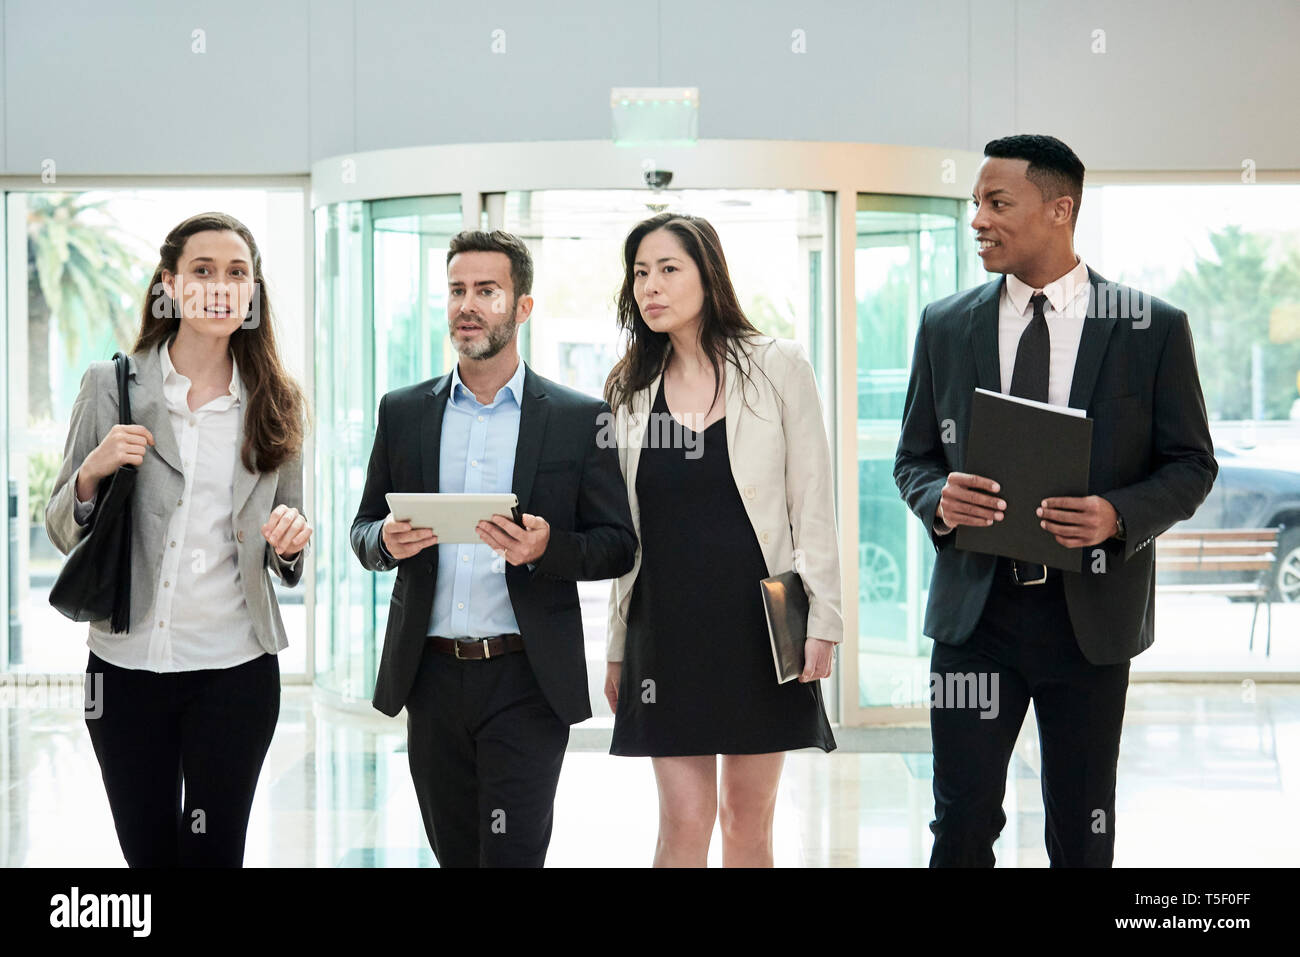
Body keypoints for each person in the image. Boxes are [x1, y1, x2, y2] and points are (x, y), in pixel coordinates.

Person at [894, 134, 1218, 867]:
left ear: (1059, 209)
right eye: (975, 202)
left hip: (1089, 622)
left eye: (997, 202)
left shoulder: (1152, 328)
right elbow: (913, 458)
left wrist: (1119, 515)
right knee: (962, 822)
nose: (978, 218)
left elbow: (1192, 464)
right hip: (975, 618)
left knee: (1081, 826)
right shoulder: (945, 324)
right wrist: (938, 496)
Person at [351, 229, 637, 868]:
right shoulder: (403, 413)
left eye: (487, 290)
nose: (468, 305)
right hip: (430, 676)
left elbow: (618, 546)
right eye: (457, 290)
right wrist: (385, 542)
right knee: (455, 854)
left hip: (526, 679)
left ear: (523, 307)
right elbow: (363, 530)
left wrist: (545, 548)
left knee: (512, 856)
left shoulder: (575, 417)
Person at [45, 212, 312, 867]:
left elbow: (291, 544)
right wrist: (93, 469)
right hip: (126, 671)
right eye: (202, 270)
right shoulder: (111, 387)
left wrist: (291, 541)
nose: (221, 286)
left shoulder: (276, 399)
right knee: (149, 858)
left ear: (252, 292)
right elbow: (58, 524)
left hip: (237, 673)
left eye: (237, 272)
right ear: (169, 285)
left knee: (215, 854)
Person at [603, 212, 840, 867]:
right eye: (640, 273)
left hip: (761, 627)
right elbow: (625, 534)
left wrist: (824, 620)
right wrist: (618, 646)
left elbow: (812, 504)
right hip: (665, 630)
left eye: (668, 269)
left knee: (746, 823)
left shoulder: (780, 366)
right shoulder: (626, 391)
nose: (650, 285)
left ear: (709, 275)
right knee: (683, 820)